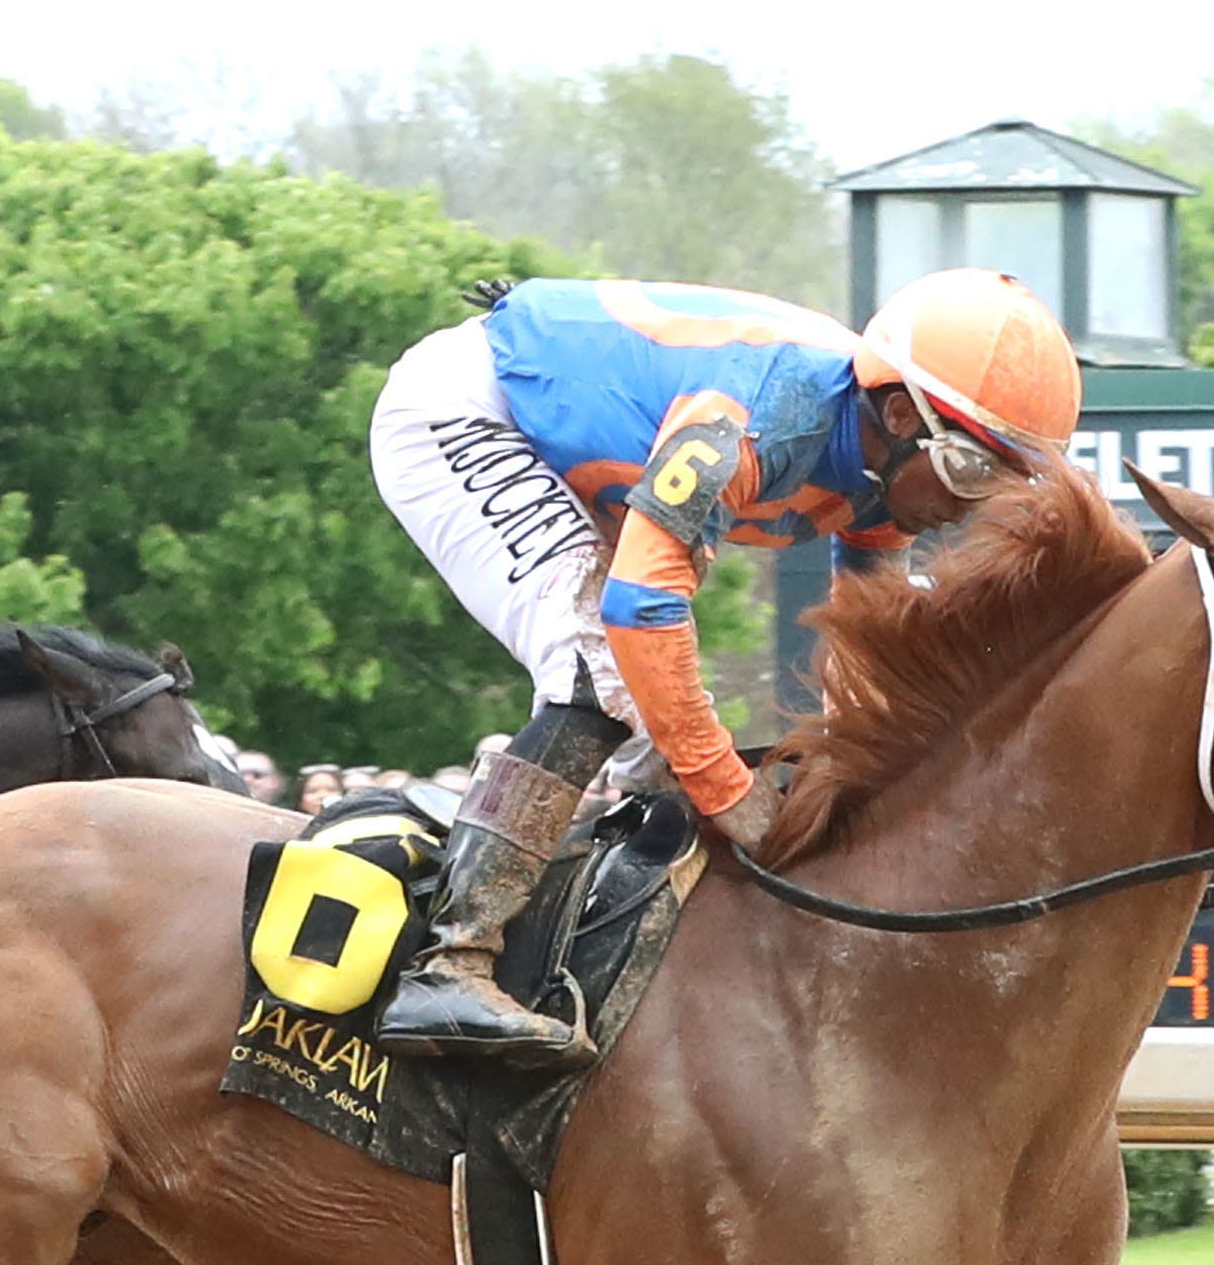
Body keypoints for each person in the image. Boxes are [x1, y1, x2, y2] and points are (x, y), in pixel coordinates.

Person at [367, 269, 1081, 1062]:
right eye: (971, 472)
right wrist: (725, 788)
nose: (966, 508)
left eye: (1001, 485)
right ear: (902, 412)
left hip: (582, 449)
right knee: (598, 675)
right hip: (474, 411)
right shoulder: (757, 420)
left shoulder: (887, 460)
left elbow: (865, 633)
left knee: (656, 735)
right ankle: (449, 965)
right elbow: (640, 604)